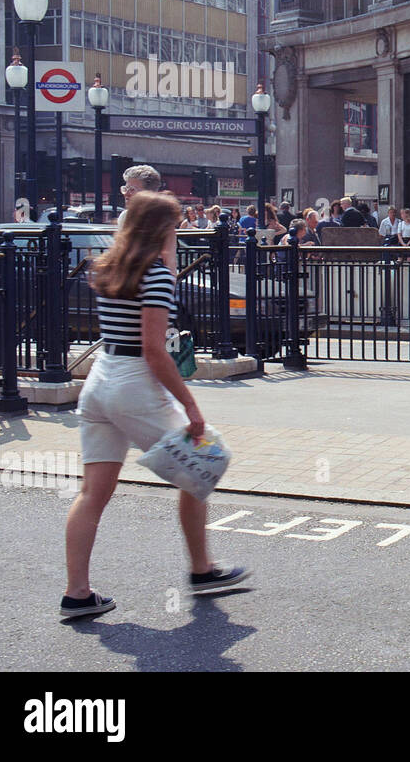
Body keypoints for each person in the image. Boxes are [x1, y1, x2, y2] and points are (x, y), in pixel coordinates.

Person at [62, 191, 248, 618]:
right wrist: (192, 406)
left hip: (101, 379)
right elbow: (153, 351)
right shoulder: (157, 276)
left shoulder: (109, 267)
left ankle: (77, 593)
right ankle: (202, 570)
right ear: (162, 228)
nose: (179, 232)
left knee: (93, 492)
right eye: (176, 225)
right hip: (135, 385)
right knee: (200, 465)